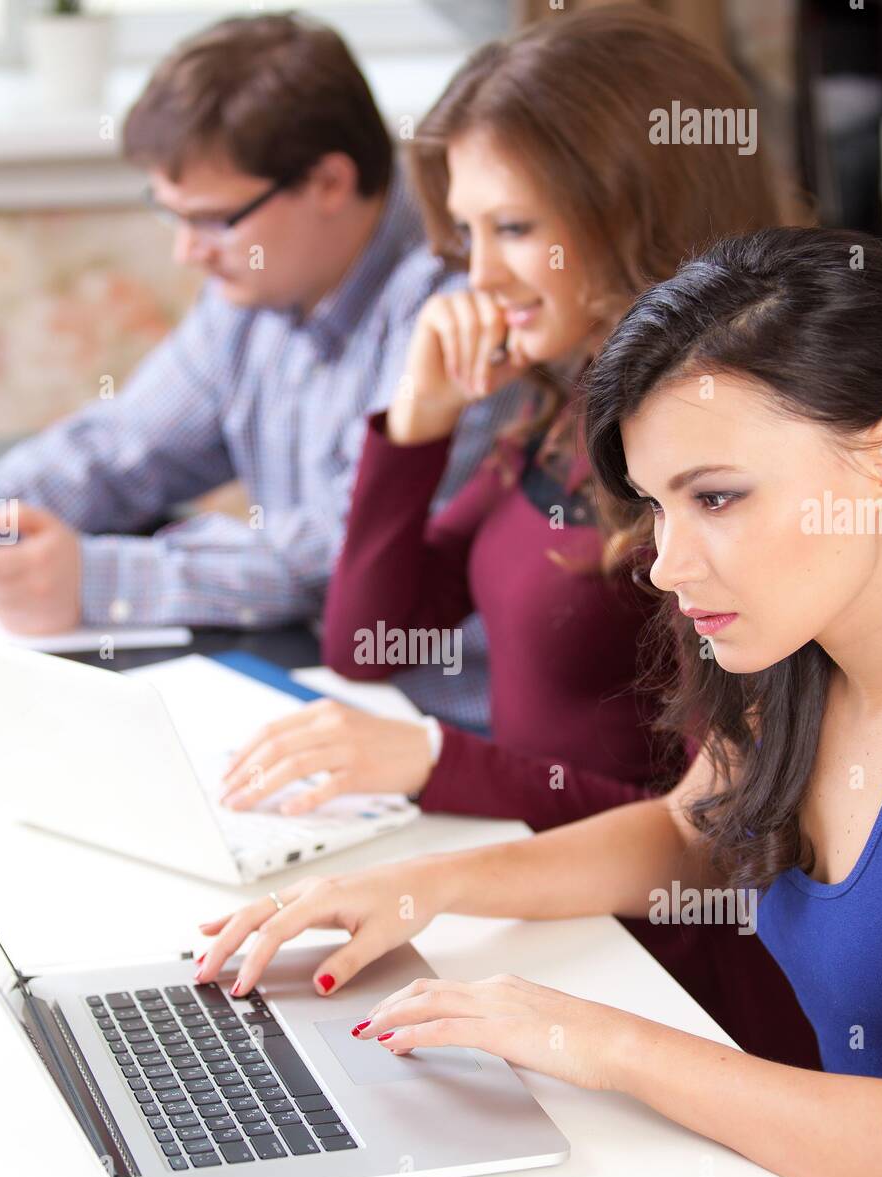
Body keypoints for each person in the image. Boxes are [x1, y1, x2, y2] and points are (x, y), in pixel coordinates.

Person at [194, 226, 882, 1177]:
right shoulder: (801, 654)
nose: (666, 565)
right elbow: (689, 831)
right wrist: (428, 882)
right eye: (653, 505)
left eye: (716, 497)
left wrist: (608, 1044)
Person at [211, 5, 817, 1064]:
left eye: (512, 228)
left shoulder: (718, 473)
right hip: (549, 910)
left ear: (636, 209)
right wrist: (417, 423)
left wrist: (439, 760)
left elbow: (703, 833)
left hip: (664, 977)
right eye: (464, 234)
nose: (474, 276)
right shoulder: (562, 409)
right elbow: (372, 639)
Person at [0, 12, 509, 727]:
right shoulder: (254, 287)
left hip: (438, 722)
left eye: (211, 219)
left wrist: (95, 580)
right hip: (324, 691)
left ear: (329, 181)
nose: (186, 253)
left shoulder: (461, 311)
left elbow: (337, 548)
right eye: (171, 216)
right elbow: (121, 446)